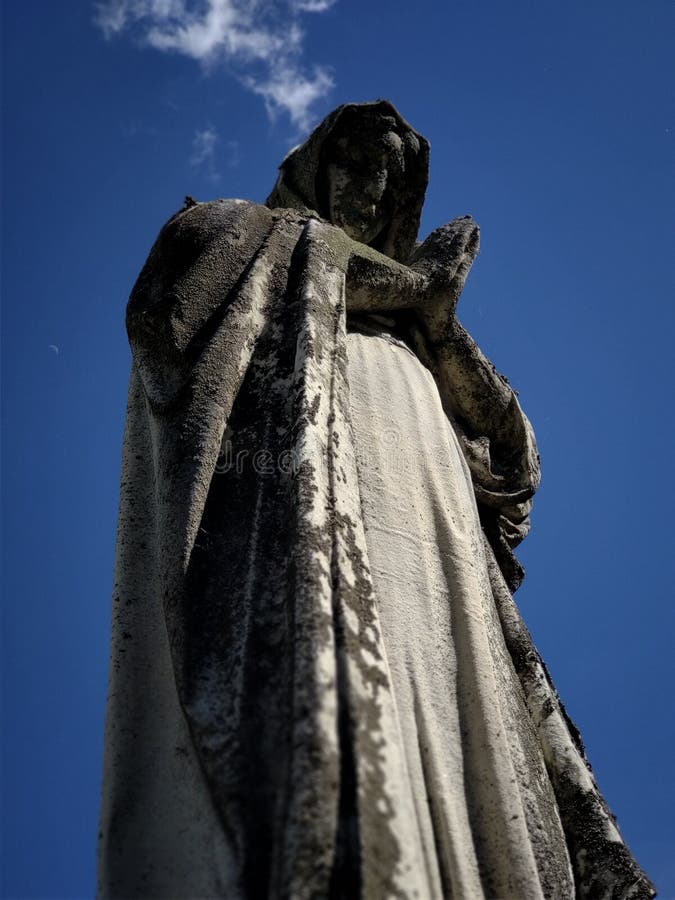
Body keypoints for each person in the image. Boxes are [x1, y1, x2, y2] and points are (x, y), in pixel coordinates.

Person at [99, 100, 655, 899]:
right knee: (351, 679)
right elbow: (172, 307)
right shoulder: (239, 227)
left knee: (458, 688)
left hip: (434, 525)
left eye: (392, 181)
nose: (373, 190)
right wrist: (413, 286)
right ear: (313, 166)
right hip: (307, 485)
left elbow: (505, 447)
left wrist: (431, 313)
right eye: (359, 164)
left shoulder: (423, 330)